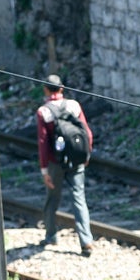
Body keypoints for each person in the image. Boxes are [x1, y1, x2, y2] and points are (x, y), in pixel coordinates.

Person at [36, 74, 94, 257]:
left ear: (45, 90)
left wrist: (45, 170)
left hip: (55, 162)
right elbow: (87, 132)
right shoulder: (74, 106)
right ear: (61, 89)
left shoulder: (43, 112)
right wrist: (86, 153)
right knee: (79, 199)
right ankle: (86, 241)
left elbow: (43, 143)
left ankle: (51, 235)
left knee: (52, 198)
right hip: (76, 159)